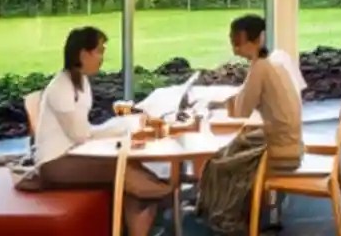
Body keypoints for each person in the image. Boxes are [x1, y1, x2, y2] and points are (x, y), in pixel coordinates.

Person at [35, 27, 172, 235]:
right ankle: (171, 194)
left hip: (75, 155)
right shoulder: (61, 87)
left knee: (131, 166)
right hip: (56, 163)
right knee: (122, 170)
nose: (101, 58)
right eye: (99, 51)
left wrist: (121, 127)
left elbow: (85, 134)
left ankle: (144, 221)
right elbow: (81, 135)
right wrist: (121, 128)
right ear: (83, 54)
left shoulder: (81, 83)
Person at [198, 15, 305, 233]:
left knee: (220, 162)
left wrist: (221, 105)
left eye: (238, 40)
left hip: (283, 148)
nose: (235, 46)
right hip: (287, 138)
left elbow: (240, 112)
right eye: (232, 39)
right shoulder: (271, 61)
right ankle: (220, 208)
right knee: (232, 147)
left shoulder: (261, 68)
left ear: (258, 39)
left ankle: (227, 218)